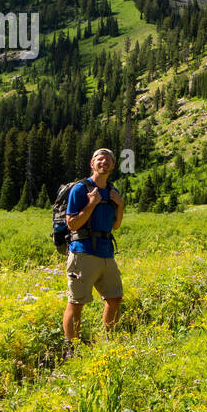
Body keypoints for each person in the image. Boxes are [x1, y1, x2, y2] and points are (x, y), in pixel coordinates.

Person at [62, 148, 124, 347]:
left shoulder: (113, 191)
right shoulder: (80, 189)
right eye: (100, 160)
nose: (103, 163)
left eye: (108, 161)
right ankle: (73, 347)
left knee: (115, 299)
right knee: (77, 302)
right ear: (92, 163)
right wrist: (91, 204)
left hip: (106, 253)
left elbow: (115, 225)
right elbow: (71, 224)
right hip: (83, 252)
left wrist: (120, 206)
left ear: (113, 166)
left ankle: (108, 340)